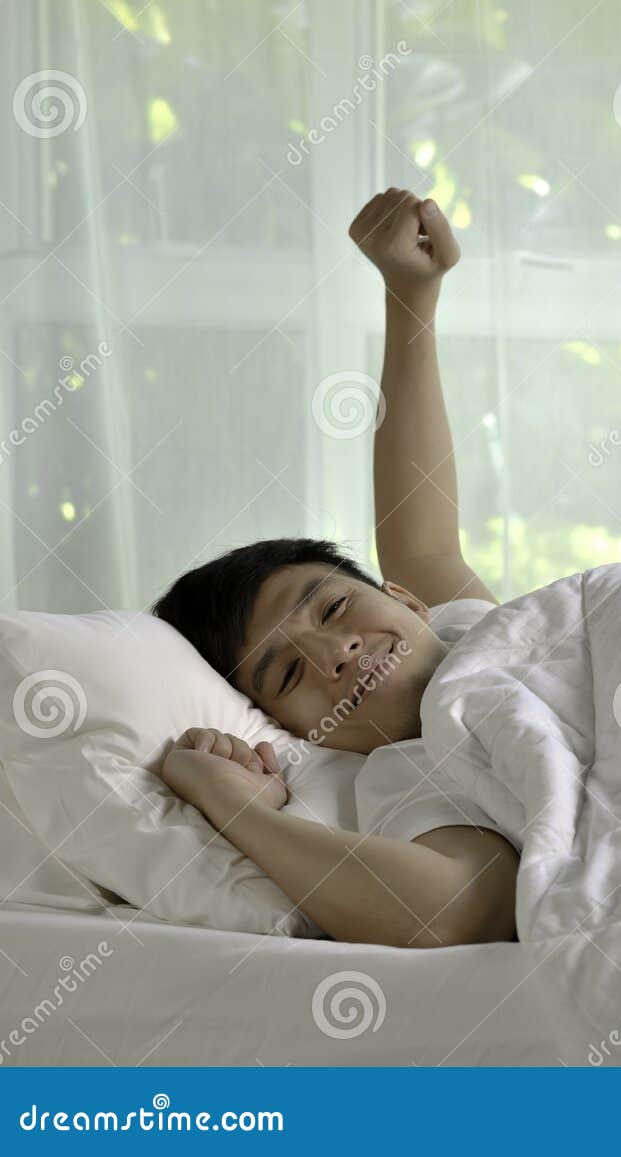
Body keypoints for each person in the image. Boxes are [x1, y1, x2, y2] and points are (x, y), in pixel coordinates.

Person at [151, 189, 516, 948]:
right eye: (287, 676)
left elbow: (422, 538)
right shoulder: (403, 771)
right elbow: (450, 908)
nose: (334, 652)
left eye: (331, 610)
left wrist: (411, 295)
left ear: (411, 603)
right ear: (292, 732)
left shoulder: (477, 631)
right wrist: (239, 808)